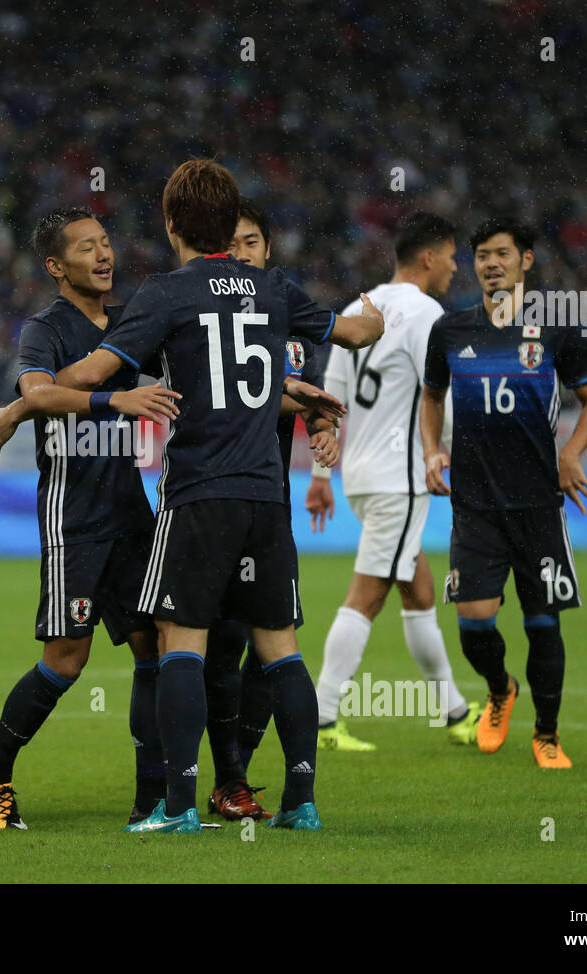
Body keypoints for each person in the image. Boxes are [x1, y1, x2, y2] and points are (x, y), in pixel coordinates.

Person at [52, 160, 382, 833]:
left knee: (181, 639)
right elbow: (354, 333)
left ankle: (176, 806)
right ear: (230, 224)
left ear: (173, 223)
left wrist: (42, 385)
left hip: (200, 494)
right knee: (280, 648)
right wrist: (372, 314)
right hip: (266, 495)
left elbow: (93, 372)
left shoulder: (167, 294)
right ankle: (302, 801)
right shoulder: (273, 288)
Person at [0, 207, 181, 828]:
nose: (104, 255)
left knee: (154, 646)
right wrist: (111, 396)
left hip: (131, 513)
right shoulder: (46, 329)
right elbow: (36, 392)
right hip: (74, 517)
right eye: (87, 248)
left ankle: (151, 799)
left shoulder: (129, 325)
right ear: (57, 266)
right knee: (67, 658)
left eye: (107, 243)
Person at [421, 217, 587, 769]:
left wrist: (570, 455)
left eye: (503, 253)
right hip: (474, 504)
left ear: (527, 260)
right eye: (482, 255)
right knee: (474, 621)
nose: (491, 263)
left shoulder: (557, 330)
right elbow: (430, 398)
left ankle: (547, 735)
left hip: (537, 506)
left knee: (542, 622)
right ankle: (501, 688)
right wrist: (433, 451)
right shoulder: (451, 331)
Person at [305, 212, 481, 750]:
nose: (457, 266)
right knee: (368, 595)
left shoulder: (359, 308)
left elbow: (327, 394)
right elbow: (440, 397)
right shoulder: (428, 314)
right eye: (452, 255)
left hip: (361, 472)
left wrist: (320, 474)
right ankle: (323, 717)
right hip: (398, 478)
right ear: (428, 257)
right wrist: (476, 441)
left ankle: (453, 713)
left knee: (419, 589)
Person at [199, 198, 340, 821]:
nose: (243, 252)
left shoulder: (286, 330)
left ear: (268, 251)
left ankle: (237, 777)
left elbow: (310, 400)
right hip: (208, 501)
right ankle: (225, 778)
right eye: (232, 243)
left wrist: (319, 446)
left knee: (266, 647)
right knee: (222, 648)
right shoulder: (202, 317)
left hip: (267, 505)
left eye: (252, 242)